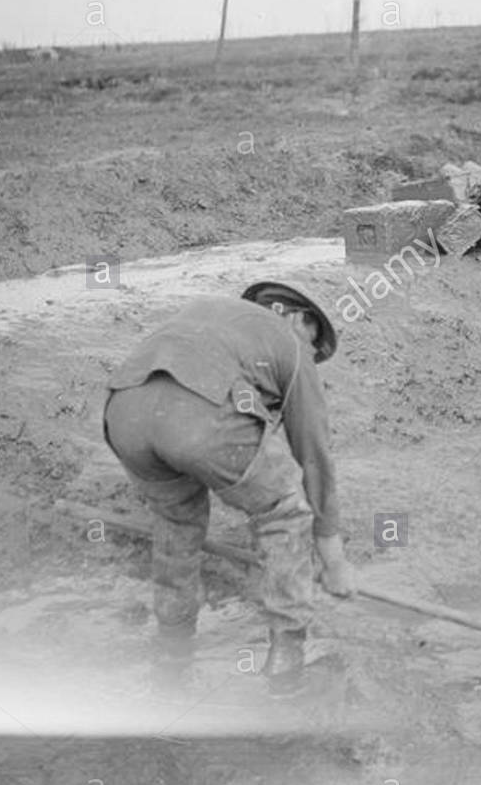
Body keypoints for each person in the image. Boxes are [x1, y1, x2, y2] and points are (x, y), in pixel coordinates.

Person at [102, 281, 352, 691]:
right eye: (313, 341)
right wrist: (334, 560)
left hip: (123, 411)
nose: (310, 352)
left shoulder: (211, 311)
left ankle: (171, 660)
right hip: (197, 418)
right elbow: (313, 454)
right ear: (298, 318)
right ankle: (287, 660)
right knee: (285, 512)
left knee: (177, 523)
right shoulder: (291, 342)